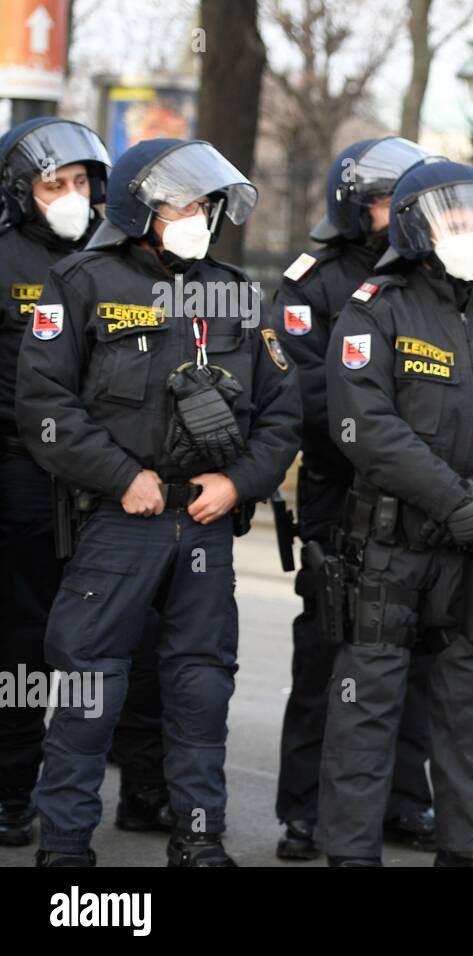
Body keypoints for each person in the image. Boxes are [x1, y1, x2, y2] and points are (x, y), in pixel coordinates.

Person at [17, 138, 302, 866]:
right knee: (91, 686)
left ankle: (200, 836)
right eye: (184, 203)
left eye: (207, 205)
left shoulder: (236, 290)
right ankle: (66, 846)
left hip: (204, 525)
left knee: (201, 687)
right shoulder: (82, 281)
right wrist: (121, 477)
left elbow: (281, 413)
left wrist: (240, 483)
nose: (199, 217)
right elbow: (45, 404)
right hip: (120, 521)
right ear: (141, 208)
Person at [319, 159, 473, 867]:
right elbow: (363, 423)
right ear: (419, 227)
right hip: (391, 549)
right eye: (454, 218)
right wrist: (453, 499)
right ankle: (351, 853)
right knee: (368, 709)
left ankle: (471, 845)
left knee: (472, 710)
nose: (470, 230)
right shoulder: (376, 309)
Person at [0, 117, 173, 847]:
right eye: (55, 184)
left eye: (83, 184)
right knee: (23, 640)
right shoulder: (5, 260)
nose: (73, 197)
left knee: (135, 638)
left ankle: (143, 788)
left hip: (113, 480)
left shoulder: (123, 261)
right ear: (22, 192)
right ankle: (13, 792)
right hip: (24, 476)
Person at [270, 137, 441, 860]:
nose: (399, 212)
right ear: (354, 204)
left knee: (415, 655)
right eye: (384, 199)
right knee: (329, 657)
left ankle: (404, 799)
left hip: (420, 503)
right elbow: (305, 394)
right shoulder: (313, 283)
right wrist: (395, 432)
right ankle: (306, 810)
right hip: (341, 496)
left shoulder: (436, 279)